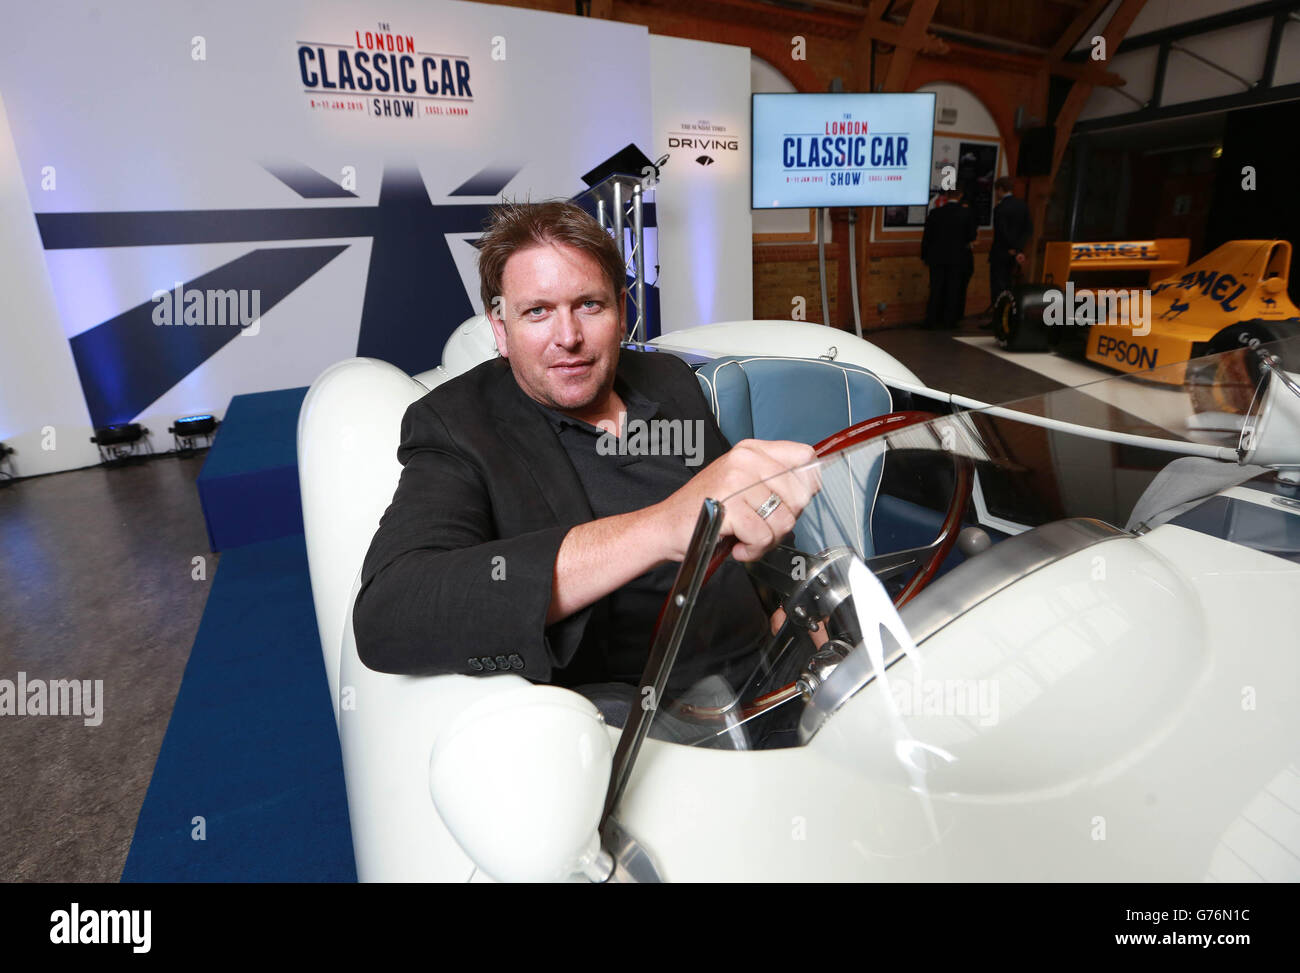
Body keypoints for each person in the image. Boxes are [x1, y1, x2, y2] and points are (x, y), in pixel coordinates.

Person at [352, 200, 817, 698]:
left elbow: (745, 509)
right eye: (537, 312)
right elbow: (391, 612)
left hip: (777, 666)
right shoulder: (458, 425)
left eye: (589, 305)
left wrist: (794, 606)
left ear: (621, 312)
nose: (568, 337)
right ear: (500, 327)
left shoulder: (668, 378)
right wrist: (661, 526)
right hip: (652, 716)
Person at [920, 188, 976, 329]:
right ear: (960, 195)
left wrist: (925, 256)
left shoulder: (935, 213)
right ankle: (949, 321)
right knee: (953, 289)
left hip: (937, 257)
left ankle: (931, 320)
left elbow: (927, 238)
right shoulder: (966, 213)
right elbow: (971, 236)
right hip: (957, 258)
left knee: (936, 288)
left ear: (946, 195)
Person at [989, 176, 1033, 305]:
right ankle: (1008, 317)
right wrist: (1019, 249)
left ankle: (997, 319)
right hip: (1017, 253)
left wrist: (1012, 248)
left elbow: (1002, 232)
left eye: (996, 190)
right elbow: (1028, 230)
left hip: (1001, 252)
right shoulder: (1022, 206)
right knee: (1010, 285)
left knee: (998, 288)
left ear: (1000, 189)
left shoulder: (1000, 208)